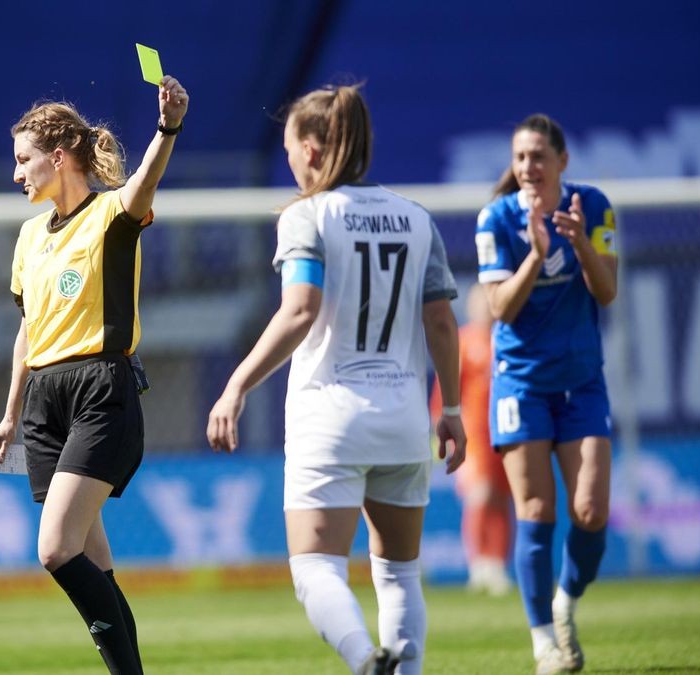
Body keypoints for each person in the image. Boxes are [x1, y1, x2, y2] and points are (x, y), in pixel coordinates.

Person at [206, 84, 465, 675]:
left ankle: (363, 658)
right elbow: (441, 322)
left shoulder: (308, 215)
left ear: (313, 149)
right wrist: (451, 409)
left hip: (331, 417)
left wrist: (236, 385)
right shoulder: (416, 218)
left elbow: (300, 309)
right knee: (399, 572)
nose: (291, 163)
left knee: (316, 568)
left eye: (291, 150)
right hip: (404, 419)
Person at [0, 75, 189, 674]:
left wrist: (168, 127)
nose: (16, 174)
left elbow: (144, 181)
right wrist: (9, 415)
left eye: (23, 160)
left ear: (58, 157)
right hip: (44, 404)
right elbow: (29, 331)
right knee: (95, 564)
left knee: (55, 549)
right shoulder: (28, 237)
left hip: (100, 390)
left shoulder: (110, 213)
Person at [476, 113, 618, 675]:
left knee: (590, 511)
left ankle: (565, 603)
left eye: (538, 156)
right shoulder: (496, 219)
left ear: (562, 161)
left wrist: (578, 242)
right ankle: (543, 643)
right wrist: (536, 254)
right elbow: (499, 308)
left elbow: (607, 292)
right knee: (535, 510)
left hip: (581, 382)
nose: (528, 166)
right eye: (519, 157)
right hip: (522, 383)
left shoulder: (594, 206)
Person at [430, 283, 513, 596]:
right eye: (481, 303)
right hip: (473, 432)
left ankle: (498, 565)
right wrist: (443, 426)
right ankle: (479, 565)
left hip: (506, 429)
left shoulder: (507, 339)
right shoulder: (463, 342)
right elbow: (445, 391)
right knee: (480, 495)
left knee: (502, 498)